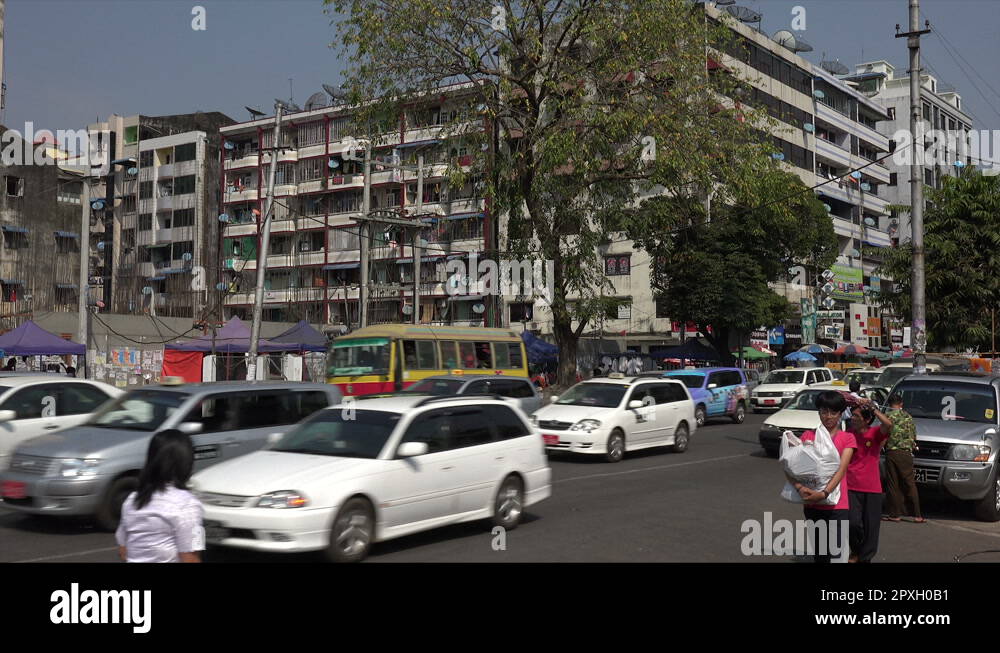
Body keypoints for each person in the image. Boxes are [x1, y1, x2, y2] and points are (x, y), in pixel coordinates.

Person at [786, 391, 856, 563]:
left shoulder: (847, 438)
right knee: (820, 554)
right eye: (824, 412)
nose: (828, 417)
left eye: (833, 412)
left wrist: (824, 493)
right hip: (812, 505)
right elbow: (794, 469)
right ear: (818, 412)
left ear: (840, 414)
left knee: (836, 552)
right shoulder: (808, 436)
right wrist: (800, 488)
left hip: (837, 505)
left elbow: (841, 469)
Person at [115, 430, 204, 563]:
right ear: (186, 463)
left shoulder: (132, 500)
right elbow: (190, 557)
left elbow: (123, 550)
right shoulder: (189, 505)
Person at [845, 398, 893, 563]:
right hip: (850, 485)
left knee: (871, 527)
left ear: (867, 420)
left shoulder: (874, 434)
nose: (853, 419)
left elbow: (888, 425)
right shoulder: (848, 434)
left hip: (872, 488)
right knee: (852, 523)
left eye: (857, 417)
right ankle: (856, 550)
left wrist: (873, 410)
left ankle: (865, 558)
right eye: (853, 416)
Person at [883, 394, 924, 523]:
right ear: (901, 404)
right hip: (906, 453)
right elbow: (914, 436)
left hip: (891, 452)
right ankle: (917, 514)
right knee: (910, 483)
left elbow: (883, 433)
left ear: (890, 404)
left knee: (893, 484)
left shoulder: (887, 417)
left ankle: (894, 514)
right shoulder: (908, 417)